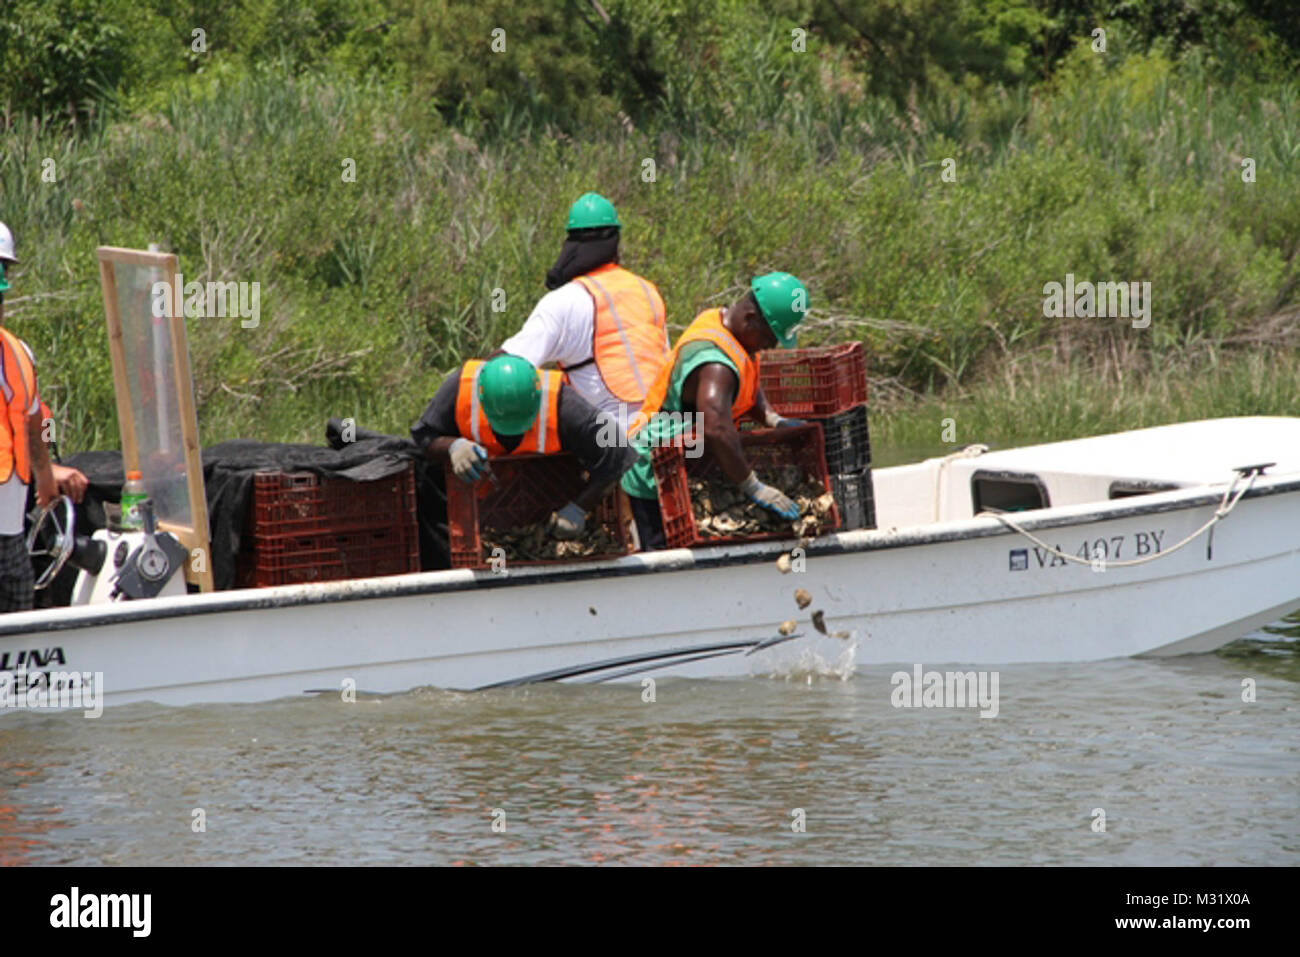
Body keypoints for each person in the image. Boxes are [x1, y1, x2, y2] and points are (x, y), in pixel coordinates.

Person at [621, 272, 811, 550]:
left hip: (689, 455)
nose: (771, 346)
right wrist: (754, 487)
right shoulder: (714, 364)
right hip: (658, 468)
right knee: (667, 559)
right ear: (750, 319)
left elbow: (745, 379)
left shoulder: (727, 326)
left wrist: (773, 418)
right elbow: (717, 429)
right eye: (771, 336)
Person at [411, 353, 635, 540]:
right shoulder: (459, 389)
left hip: (549, 499)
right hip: (486, 504)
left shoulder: (567, 407)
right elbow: (423, 435)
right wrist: (452, 447)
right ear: (481, 398)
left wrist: (579, 508)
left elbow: (619, 452)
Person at [497, 192, 669, 423]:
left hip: (608, 440)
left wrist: (465, 381)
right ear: (616, 242)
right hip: (663, 428)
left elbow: (508, 367)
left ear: (570, 244)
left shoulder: (565, 301)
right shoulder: (648, 292)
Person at [0, 222, 87, 612]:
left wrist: (48, 475)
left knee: (18, 649)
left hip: (11, 533)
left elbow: (37, 426)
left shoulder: (20, 355)